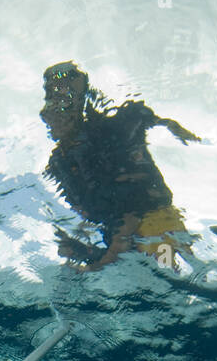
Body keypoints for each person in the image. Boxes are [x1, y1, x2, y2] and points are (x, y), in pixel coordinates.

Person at [40, 61, 200, 271]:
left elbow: (127, 211)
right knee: (174, 274)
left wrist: (168, 124)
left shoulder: (102, 134)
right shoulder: (61, 161)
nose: (55, 116)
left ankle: (188, 281)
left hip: (150, 229)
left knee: (170, 274)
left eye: (63, 105)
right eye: (52, 108)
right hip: (141, 231)